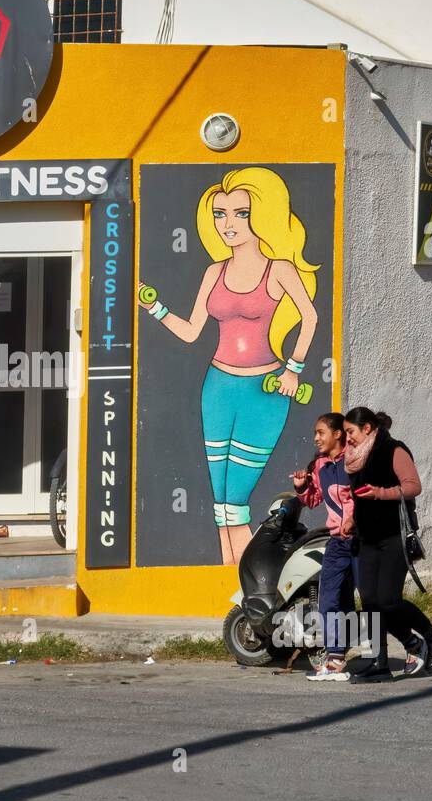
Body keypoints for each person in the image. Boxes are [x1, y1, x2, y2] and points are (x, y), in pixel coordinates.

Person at [137, 167, 320, 565]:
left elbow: (311, 317)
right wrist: (155, 308)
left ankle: (256, 583)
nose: (228, 224)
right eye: (220, 214)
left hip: (263, 393)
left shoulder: (279, 269)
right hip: (217, 388)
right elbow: (190, 332)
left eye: (240, 213)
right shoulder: (213, 272)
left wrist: (294, 368)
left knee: (236, 500)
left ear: (263, 216)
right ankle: (230, 581)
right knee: (221, 504)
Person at [343, 408, 432, 682]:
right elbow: (357, 498)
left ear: (367, 428)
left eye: (351, 432)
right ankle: (379, 663)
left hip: (393, 536)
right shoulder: (354, 459)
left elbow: (413, 486)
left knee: (388, 601)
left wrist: (381, 493)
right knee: (370, 601)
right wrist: (352, 520)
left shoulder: (393, 450)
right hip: (366, 538)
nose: (348, 438)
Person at [291, 413, 357, 682]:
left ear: (338, 434)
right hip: (337, 542)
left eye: (321, 432)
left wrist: (355, 519)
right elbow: (314, 500)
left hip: (363, 540)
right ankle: (335, 659)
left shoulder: (355, 460)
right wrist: (301, 487)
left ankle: (392, 651)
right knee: (329, 599)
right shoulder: (319, 466)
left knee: (372, 599)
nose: (316, 438)